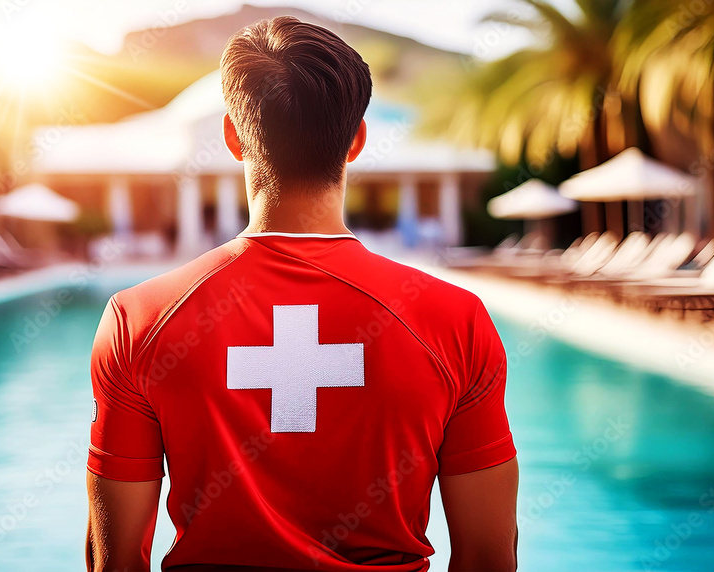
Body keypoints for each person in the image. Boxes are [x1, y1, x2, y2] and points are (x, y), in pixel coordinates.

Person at [86, 16, 518, 572]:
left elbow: (113, 560)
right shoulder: (455, 319)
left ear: (233, 138)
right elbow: (488, 556)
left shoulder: (138, 320)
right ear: (357, 140)